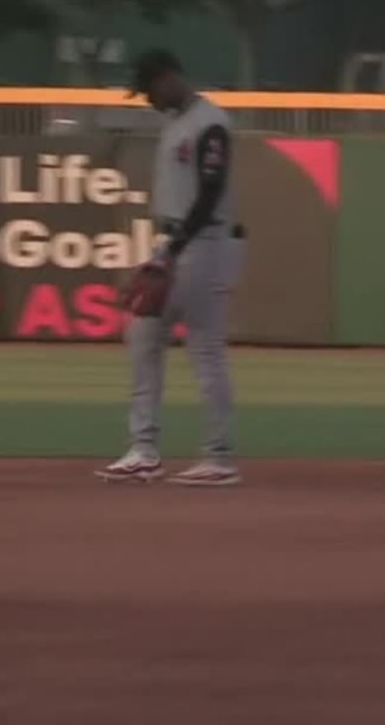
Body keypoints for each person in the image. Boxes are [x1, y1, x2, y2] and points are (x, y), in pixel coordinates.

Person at [96, 48, 246, 487]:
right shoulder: (177, 122)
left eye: (148, 90)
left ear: (167, 78)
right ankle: (144, 450)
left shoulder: (209, 123)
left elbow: (210, 193)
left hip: (207, 242)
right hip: (180, 241)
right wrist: (166, 249)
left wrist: (170, 251)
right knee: (142, 335)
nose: (147, 100)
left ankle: (218, 457)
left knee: (205, 351)